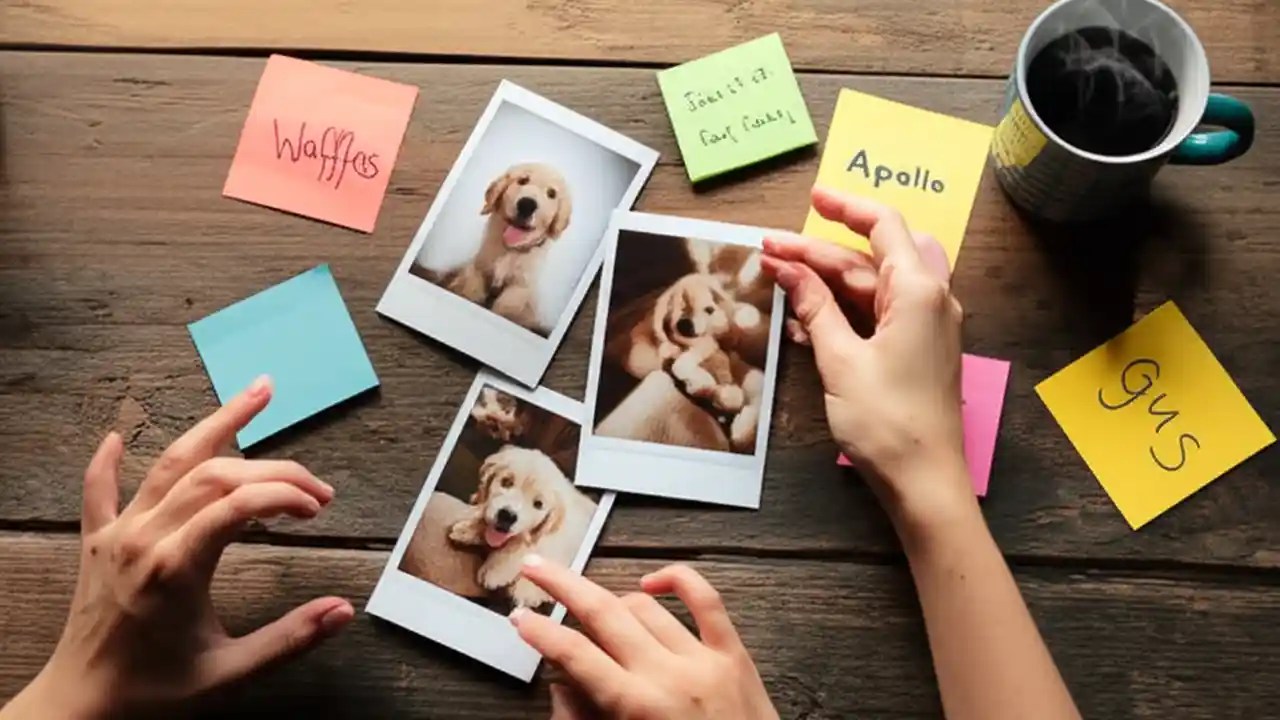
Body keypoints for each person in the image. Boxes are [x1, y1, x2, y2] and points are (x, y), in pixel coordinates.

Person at [0, 187, 1081, 720]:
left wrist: (63, 695)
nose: (702, 322)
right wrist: (926, 472)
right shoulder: (616, 362)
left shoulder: (715, 374)